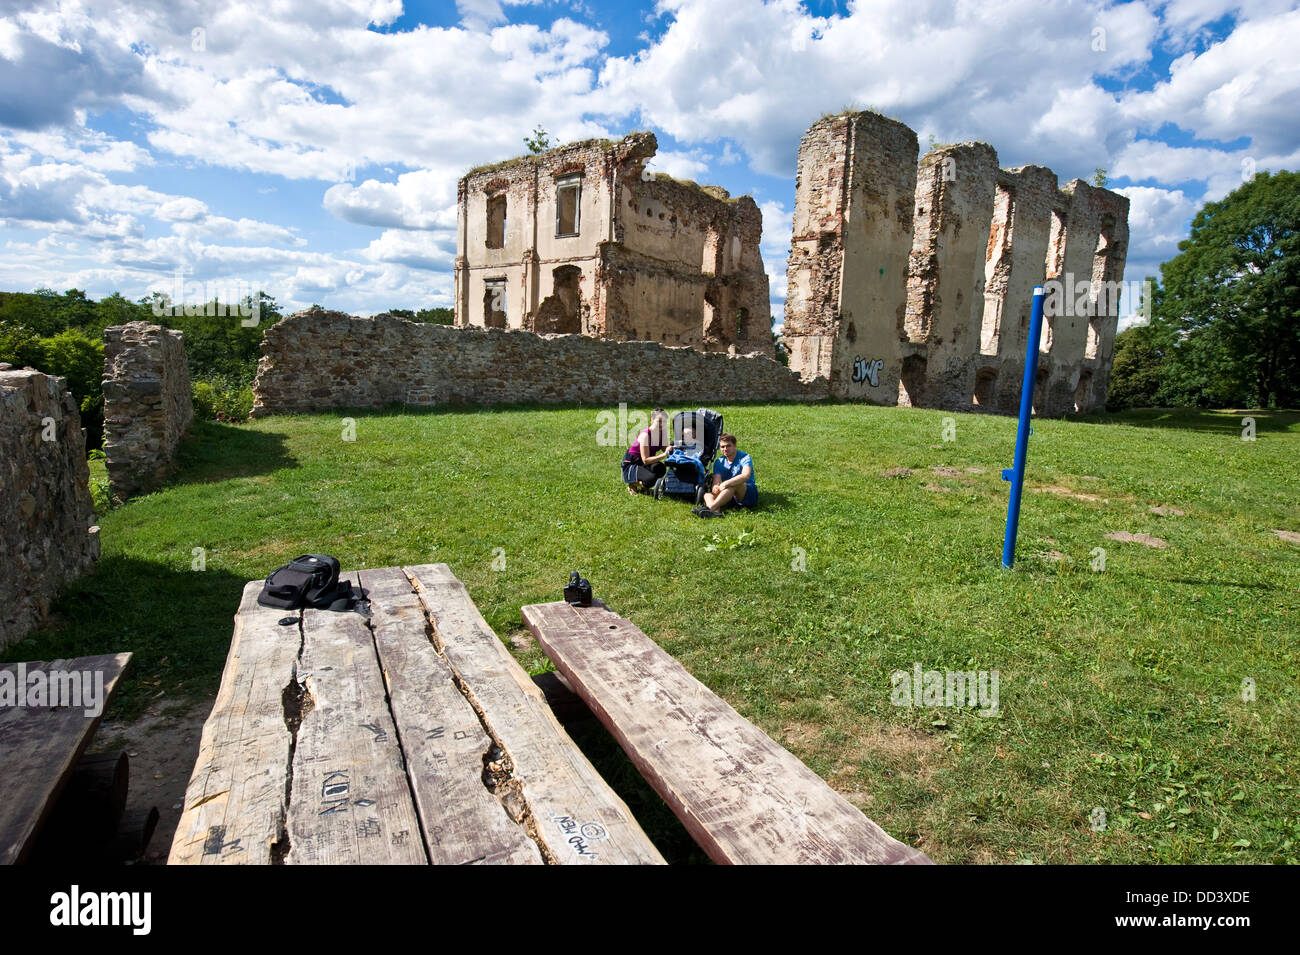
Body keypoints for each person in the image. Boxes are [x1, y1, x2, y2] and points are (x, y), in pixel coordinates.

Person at [695, 433, 756, 516]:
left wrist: (726, 483)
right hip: (728, 494)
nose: (725, 449)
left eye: (728, 446)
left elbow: (746, 475)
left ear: (734, 446)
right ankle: (716, 512)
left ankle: (710, 508)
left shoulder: (744, 457)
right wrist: (715, 487)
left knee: (734, 484)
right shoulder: (719, 462)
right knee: (707, 495)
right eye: (722, 447)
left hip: (746, 493)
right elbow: (717, 481)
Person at [621, 407, 671, 495]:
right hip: (633, 463)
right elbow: (646, 460)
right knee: (651, 479)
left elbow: (665, 448)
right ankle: (632, 483)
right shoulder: (645, 435)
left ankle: (645, 485)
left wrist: (675, 448)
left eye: (664, 421)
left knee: (661, 468)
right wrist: (663, 455)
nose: (661, 424)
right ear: (652, 419)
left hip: (644, 463)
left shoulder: (662, 433)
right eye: (659, 421)